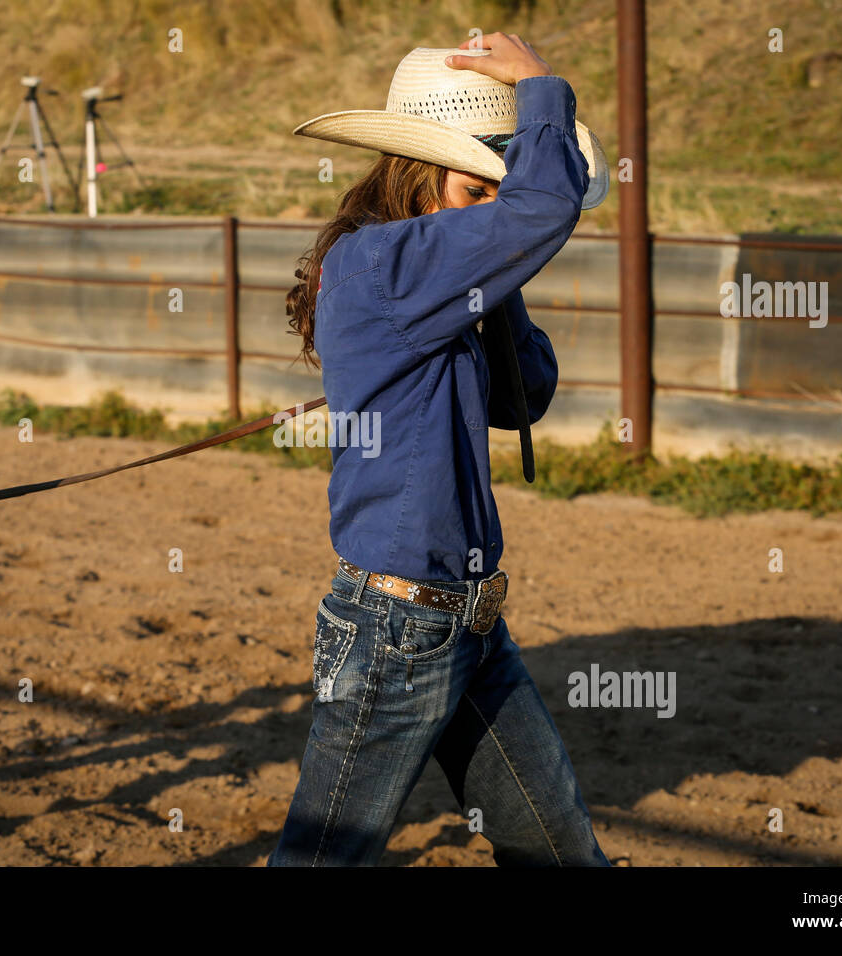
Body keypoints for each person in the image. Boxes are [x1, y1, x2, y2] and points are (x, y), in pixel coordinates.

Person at [267, 34, 611, 867]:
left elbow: (523, 394)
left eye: (497, 191)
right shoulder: (387, 262)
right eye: (475, 188)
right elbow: (543, 209)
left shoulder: (426, 272)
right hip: (399, 627)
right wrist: (538, 87)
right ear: (419, 173)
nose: (490, 210)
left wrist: (497, 278)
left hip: (465, 622)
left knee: (562, 854)